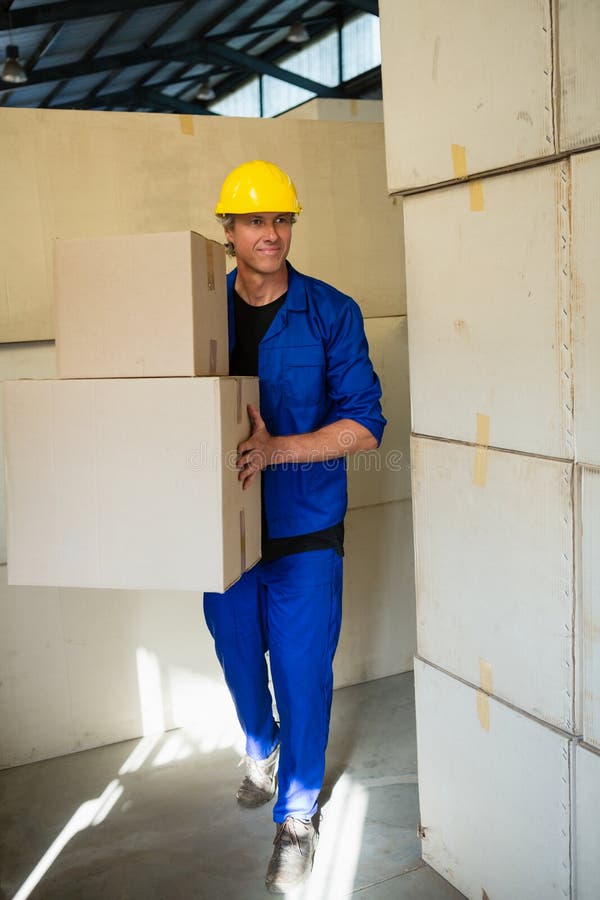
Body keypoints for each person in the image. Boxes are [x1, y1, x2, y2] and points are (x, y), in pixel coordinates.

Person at [203, 160, 386, 894]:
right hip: (218, 532)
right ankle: (261, 741)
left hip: (306, 527)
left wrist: (281, 448)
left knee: (303, 673)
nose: (271, 233)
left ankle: (297, 814)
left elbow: (367, 427)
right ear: (229, 233)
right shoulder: (196, 313)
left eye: (281, 220)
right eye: (255, 221)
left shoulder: (330, 311)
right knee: (240, 658)